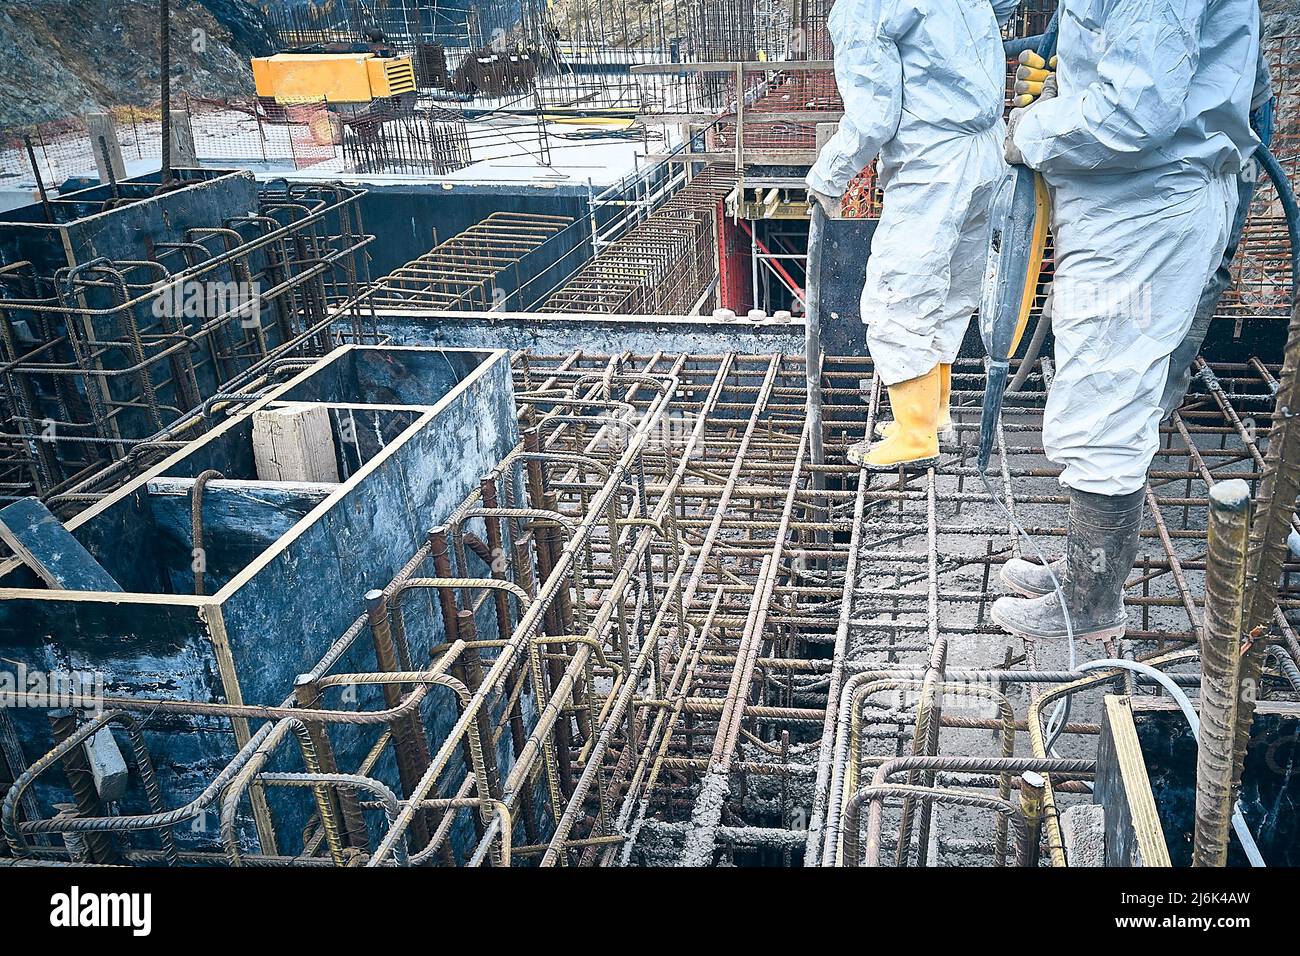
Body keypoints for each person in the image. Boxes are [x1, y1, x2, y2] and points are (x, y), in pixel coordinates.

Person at [993, 0, 1261, 642]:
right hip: (1131, 205)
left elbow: (1135, 113)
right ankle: (1084, 573)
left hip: (1142, 214)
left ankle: (1089, 608)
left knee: (1106, 401)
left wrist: (1030, 131)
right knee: (1101, 388)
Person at [806, 0, 1020, 470]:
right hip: (988, 149)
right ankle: (932, 413)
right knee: (951, 288)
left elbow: (872, 117)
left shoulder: (863, 7)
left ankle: (915, 435)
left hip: (934, 161)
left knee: (899, 291)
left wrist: (828, 175)